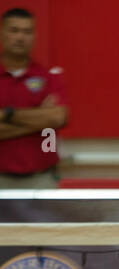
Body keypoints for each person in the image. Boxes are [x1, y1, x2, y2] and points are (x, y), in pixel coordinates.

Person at [0, 7, 66, 188]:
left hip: (42, 178)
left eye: (27, 31)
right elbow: (48, 120)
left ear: (35, 36)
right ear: (2, 33)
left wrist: (7, 115)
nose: (20, 37)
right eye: (14, 30)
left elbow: (58, 117)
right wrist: (39, 119)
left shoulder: (49, 78)